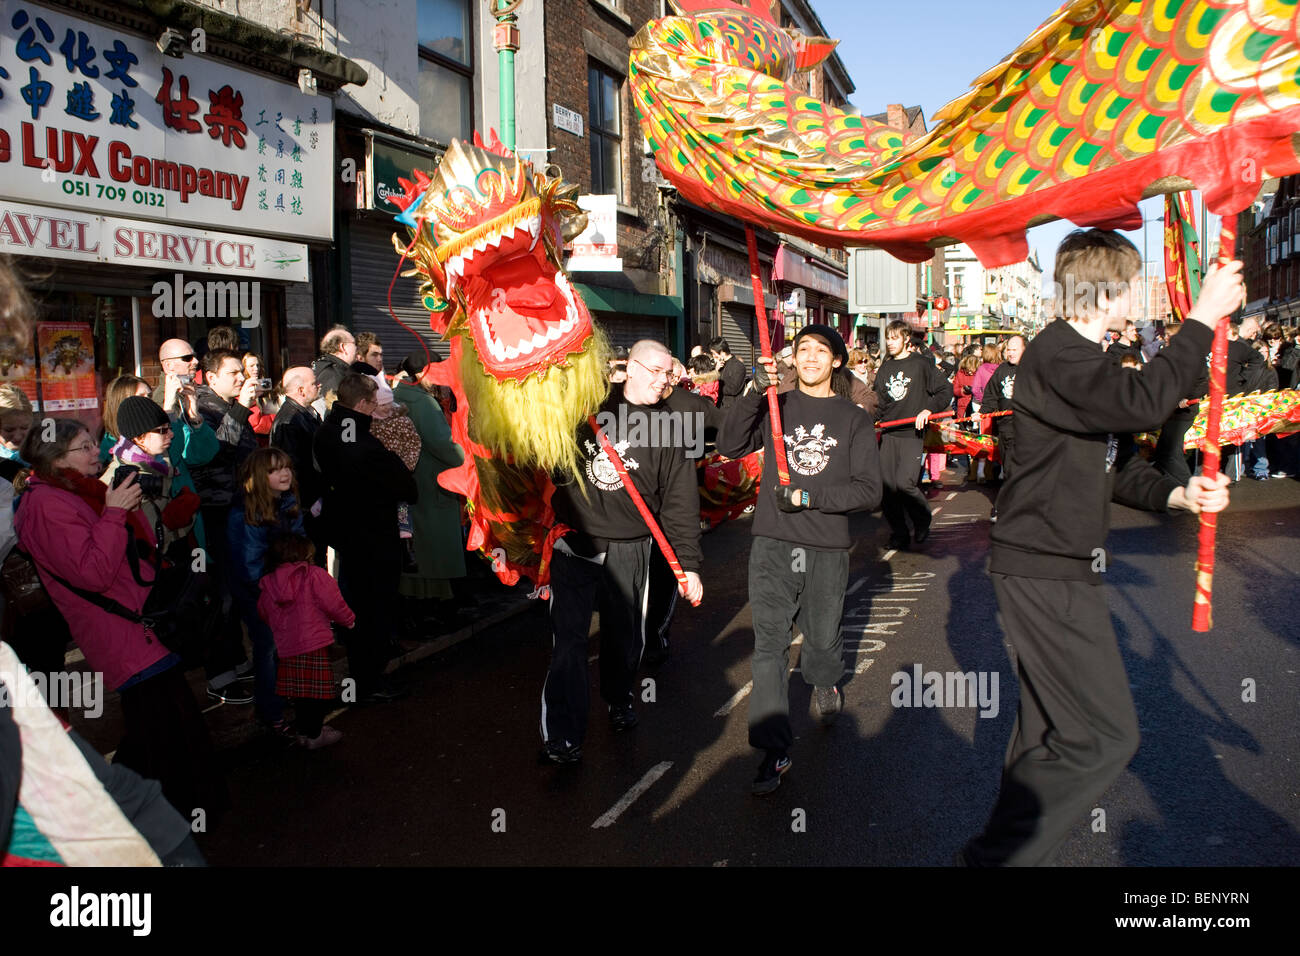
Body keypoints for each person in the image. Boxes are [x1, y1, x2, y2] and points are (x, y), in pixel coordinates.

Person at [961, 228, 1239, 867]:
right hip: (1045, 567)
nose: (1136, 295)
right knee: (1105, 736)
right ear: (1104, 289)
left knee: (1043, 734)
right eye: (1130, 282)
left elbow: (1111, 467)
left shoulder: (1088, 359)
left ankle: (1000, 853)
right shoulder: (1058, 355)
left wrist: (1179, 496)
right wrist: (1200, 318)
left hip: (1057, 567)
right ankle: (995, 861)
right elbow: (1142, 402)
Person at [13, 418, 226, 821]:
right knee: (166, 733)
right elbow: (92, 573)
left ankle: (143, 814)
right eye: (85, 447)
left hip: (137, 623)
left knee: (158, 732)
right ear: (57, 458)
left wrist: (160, 520)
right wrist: (114, 514)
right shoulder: (46, 505)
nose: (98, 452)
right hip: (119, 630)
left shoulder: (76, 490)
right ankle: (167, 820)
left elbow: (126, 553)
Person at [717, 324, 882, 794]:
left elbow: (869, 492)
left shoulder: (853, 419)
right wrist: (754, 389)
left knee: (823, 642)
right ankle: (773, 750)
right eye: (802, 349)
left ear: (836, 361)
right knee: (769, 645)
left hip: (827, 547)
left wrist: (807, 494)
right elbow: (729, 445)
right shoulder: (776, 405)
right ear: (791, 359)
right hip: (772, 542)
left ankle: (826, 682)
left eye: (820, 351)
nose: (809, 357)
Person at [541, 340, 703, 764]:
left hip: (632, 547)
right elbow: (553, 464)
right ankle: (563, 734)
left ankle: (618, 697)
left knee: (622, 636)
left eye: (669, 374)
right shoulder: (586, 411)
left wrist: (689, 564)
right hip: (575, 545)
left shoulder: (672, 428)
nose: (663, 381)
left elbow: (681, 502)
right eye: (654, 371)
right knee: (569, 642)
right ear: (629, 368)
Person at [314, 374, 417, 703]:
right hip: (372, 535)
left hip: (347, 533)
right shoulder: (362, 442)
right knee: (373, 606)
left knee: (357, 602)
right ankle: (368, 679)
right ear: (361, 404)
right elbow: (404, 486)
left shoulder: (328, 430)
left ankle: (363, 675)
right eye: (372, 402)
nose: (375, 408)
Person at [191, 348, 260, 703]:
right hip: (214, 513)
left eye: (241, 372)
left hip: (236, 509)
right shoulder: (201, 407)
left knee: (235, 590)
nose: (241, 378)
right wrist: (239, 408)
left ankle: (235, 661)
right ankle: (219, 677)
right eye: (233, 373)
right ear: (211, 377)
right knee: (220, 595)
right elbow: (216, 452)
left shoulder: (227, 404)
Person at [227, 448, 305, 731]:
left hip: (285, 589)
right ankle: (270, 712)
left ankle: (287, 695)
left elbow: (300, 544)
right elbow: (249, 566)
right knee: (269, 649)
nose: (284, 473)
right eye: (274, 470)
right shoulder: (246, 512)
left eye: (286, 467)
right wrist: (275, 596)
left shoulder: (287, 501)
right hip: (260, 595)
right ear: (259, 476)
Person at [258, 534, 354, 749]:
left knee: (301, 694)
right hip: (314, 643)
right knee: (318, 694)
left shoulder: (269, 582)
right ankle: (314, 735)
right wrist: (348, 621)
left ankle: (304, 731)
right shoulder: (315, 575)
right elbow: (334, 604)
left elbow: (264, 612)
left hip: (288, 647)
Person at [392, 356, 467, 621]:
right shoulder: (423, 403)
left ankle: (424, 606)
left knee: (418, 550)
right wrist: (471, 461)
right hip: (431, 485)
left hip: (413, 485)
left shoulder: (400, 395)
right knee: (431, 553)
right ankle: (433, 610)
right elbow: (444, 445)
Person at [874, 320, 950, 550]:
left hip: (911, 433)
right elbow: (879, 403)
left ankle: (922, 519)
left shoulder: (921, 364)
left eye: (895, 337)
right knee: (887, 488)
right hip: (888, 432)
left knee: (905, 483)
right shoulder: (885, 367)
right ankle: (899, 533)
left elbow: (944, 390)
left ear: (906, 338)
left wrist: (929, 410)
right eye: (888, 338)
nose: (890, 342)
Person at [270, 366, 326, 558]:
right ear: (301, 390)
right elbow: (292, 467)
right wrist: (308, 504)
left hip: (312, 504)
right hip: (303, 508)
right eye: (313, 383)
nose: (319, 385)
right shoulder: (289, 421)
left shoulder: (305, 414)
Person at [981, 334, 1026, 500]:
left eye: (1015, 350)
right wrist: (983, 411)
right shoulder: (1002, 370)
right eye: (1008, 349)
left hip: (1026, 427)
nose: (1010, 353)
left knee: (1019, 469)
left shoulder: (1033, 369)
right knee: (1008, 469)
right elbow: (991, 395)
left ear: (1024, 350)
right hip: (1005, 426)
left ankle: (1009, 505)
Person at [312, 326, 357, 408]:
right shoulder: (332, 374)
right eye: (354, 343)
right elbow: (335, 410)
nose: (357, 348)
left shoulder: (331, 368)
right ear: (343, 347)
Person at [709, 337, 748, 411]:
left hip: (731, 409)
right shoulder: (717, 366)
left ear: (722, 352)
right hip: (717, 407)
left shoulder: (738, 366)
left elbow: (733, 389)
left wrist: (716, 387)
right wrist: (715, 370)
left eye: (714, 353)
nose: (713, 356)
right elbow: (708, 382)